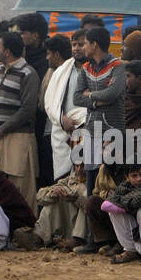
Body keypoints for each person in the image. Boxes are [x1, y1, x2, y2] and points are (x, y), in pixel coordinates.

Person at [0, 31, 40, 210]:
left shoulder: (28, 73)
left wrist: (3, 129)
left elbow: (28, 110)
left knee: (19, 187)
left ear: (7, 51)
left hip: (19, 139)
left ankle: (21, 230)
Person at [101, 162, 141, 264]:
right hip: (140, 234)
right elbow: (107, 205)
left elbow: (139, 199)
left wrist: (126, 204)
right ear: (127, 177)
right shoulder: (124, 187)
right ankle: (130, 250)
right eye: (134, 176)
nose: (139, 179)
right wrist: (125, 206)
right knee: (114, 212)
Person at [41, 33, 84, 183]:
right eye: (75, 45)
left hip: (85, 131)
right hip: (62, 131)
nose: (77, 48)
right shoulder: (62, 71)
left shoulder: (96, 71)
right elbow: (50, 102)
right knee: (62, 182)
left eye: (81, 44)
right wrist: (62, 119)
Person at [22, 161, 87, 250]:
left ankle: (77, 240)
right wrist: (53, 194)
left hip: (84, 231)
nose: (79, 169)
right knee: (55, 196)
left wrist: (76, 199)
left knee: (87, 198)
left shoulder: (94, 181)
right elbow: (40, 196)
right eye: (77, 166)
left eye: (82, 166)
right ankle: (38, 238)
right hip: (67, 225)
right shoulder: (69, 180)